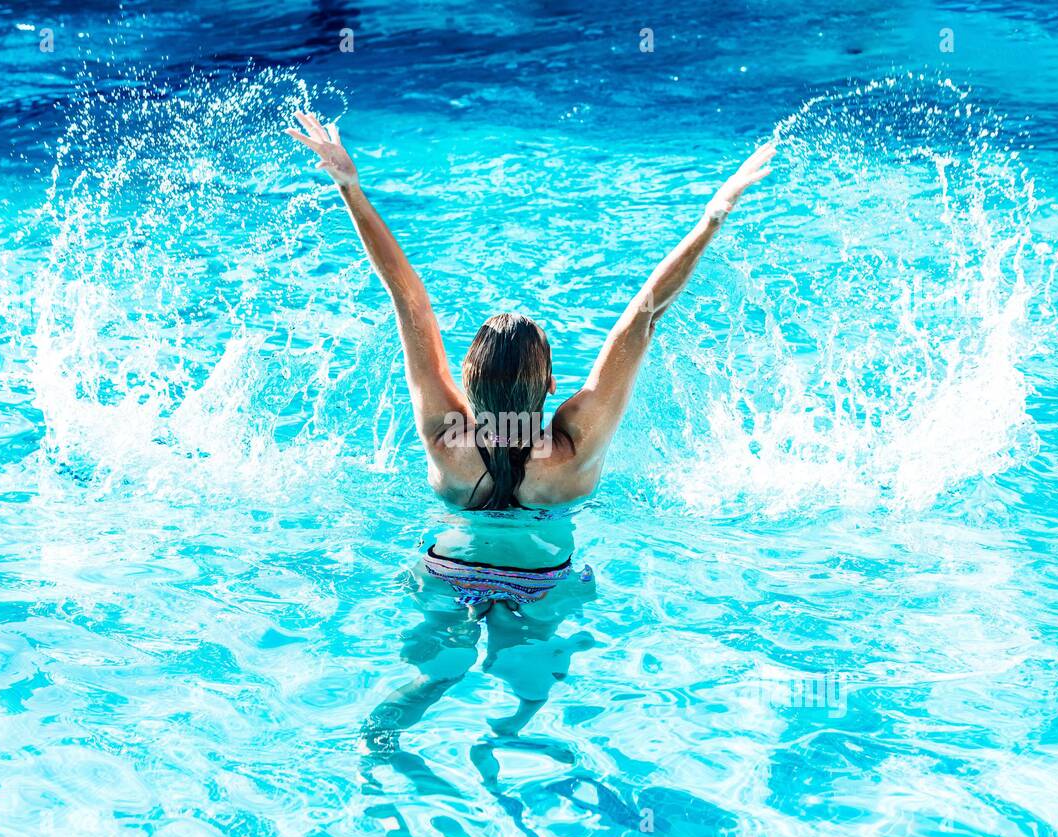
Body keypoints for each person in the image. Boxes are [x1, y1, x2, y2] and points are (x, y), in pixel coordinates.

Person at [287, 111, 773, 613]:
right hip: (540, 580)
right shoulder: (573, 449)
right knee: (531, 691)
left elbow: (406, 299)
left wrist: (350, 189)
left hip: (445, 567)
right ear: (550, 386)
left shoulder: (446, 440)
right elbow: (644, 314)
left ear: (467, 389)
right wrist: (712, 216)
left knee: (420, 687)